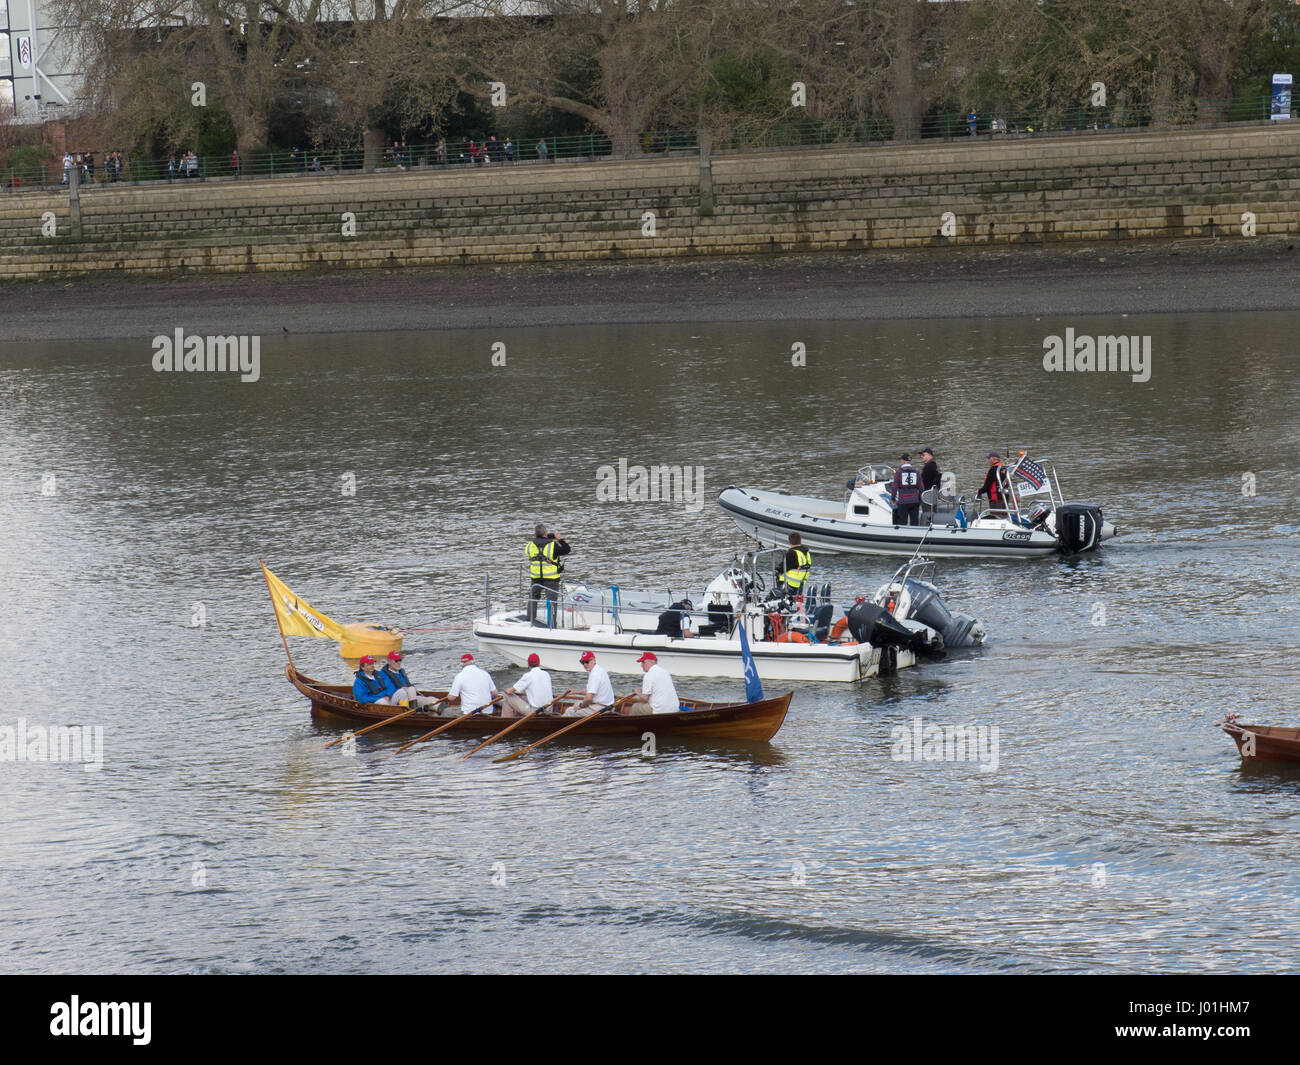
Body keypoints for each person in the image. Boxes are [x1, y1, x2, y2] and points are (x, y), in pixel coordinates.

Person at [526, 524, 571, 626]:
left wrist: (547, 536)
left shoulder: (529, 546)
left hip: (536, 578)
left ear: (534, 534)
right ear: (545, 533)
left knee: (533, 598)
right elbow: (567, 549)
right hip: (551, 579)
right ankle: (551, 625)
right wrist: (560, 539)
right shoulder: (553, 545)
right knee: (551, 602)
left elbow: (540, 540)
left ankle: (529, 621)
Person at [562, 650, 615, 717]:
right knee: (576, 704)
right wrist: (576, 691)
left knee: (569, 710)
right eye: (582, 662)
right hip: (607, 706)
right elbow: (591, 691)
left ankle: (557, 727)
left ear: (594, 661)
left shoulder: (595, 674)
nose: (585, 664)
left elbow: (589, 698)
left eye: (587, 662)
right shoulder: (600, 670)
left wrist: (580, 706)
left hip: (601, 708)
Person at [626, 652, 679, 716]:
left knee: (635, 706)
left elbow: (645, 698)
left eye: (643, 662)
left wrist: (637, 692)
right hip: (674, 708)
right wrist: (642, 690)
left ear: (649, 662)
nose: (641, 665)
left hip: (660, 710)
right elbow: (657, 688)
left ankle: (632, 724)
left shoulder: (648, 675)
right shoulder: (665, 671)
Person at [501, 653, 554, 717]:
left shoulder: (528, 676)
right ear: (539, 663)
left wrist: (505, 689)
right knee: (522, 697)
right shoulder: (546, 674)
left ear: (528, 664)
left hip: (536, 712)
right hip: (549, 710)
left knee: (506, 695)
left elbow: (509, 691)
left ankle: (506, 721)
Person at [890, 453, 923, 526]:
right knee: (914, 522)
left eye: (901, 460)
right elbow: (921, 488)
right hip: (915, 501)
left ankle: (902, 535)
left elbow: (894, 487)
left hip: (903, 501)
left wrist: (893, 498)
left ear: (903, 461)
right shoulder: (917, 472)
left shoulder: (899, 472)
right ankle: (914, 536)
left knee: (902, 521)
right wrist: (920, 499)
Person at [777, 532, 812, 597]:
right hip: (800, 582)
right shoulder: (806, 553)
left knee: (782, 601)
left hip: (789, 583)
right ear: (800, 541)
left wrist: (777, 570)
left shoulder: (791, 553)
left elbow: (785, 566)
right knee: (796, 602)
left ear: (789, 542)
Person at [920, 448, 941, 520]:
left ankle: (928, 525)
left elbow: (924, 481)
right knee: (933, 511)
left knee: (927, 514)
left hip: (927, 495)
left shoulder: (929, 466)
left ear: (929, 455)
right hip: (933, 493)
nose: (921, 457)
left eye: (923, 455)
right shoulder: (935, 465)